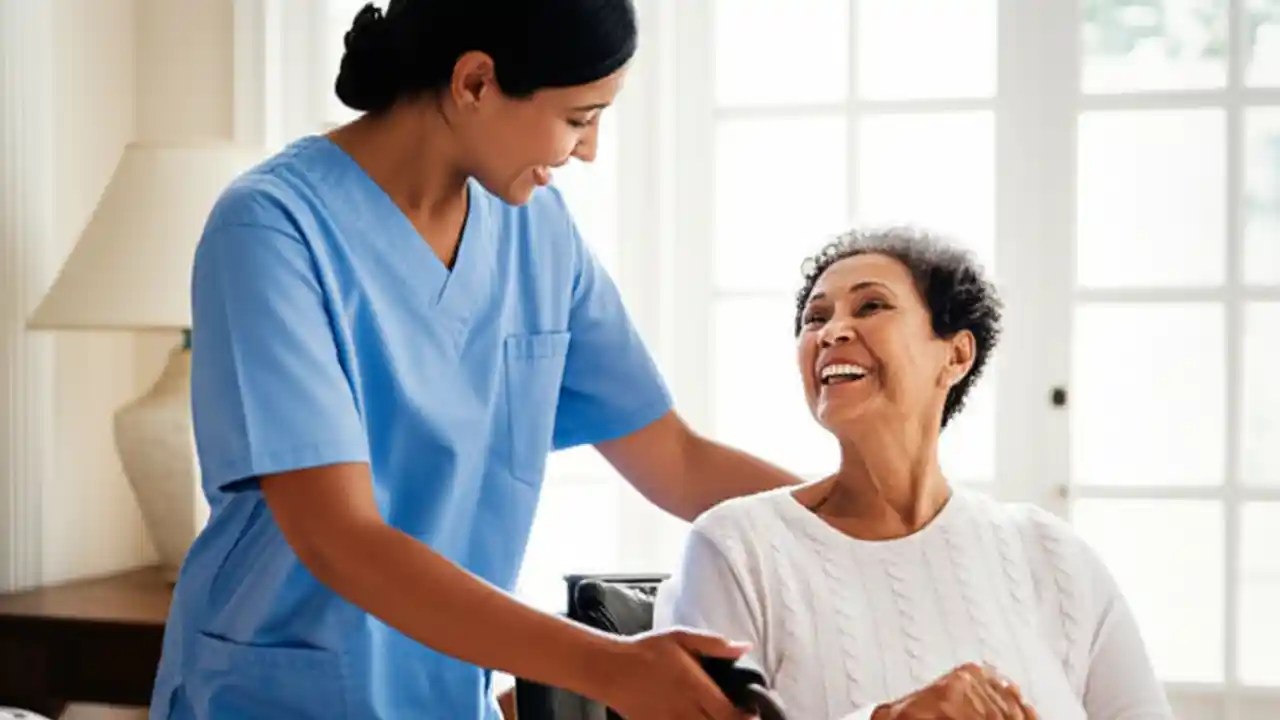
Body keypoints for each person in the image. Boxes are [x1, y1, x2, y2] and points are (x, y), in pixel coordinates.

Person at [148, 1, 799, 718]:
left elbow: (674, 458)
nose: (589, 151)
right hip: (280, 697)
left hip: (447, 697)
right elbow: (341, 538)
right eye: (579, 119)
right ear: (476, 83)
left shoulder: (537, 231)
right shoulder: (271, 227)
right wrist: (612, 669)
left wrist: (890, 519)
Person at [654, 228, 1174, 720]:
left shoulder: (1053, 556)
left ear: (956, 354)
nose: (832, 331)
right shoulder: (735, 548)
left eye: (871, 306)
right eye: (815, 318)